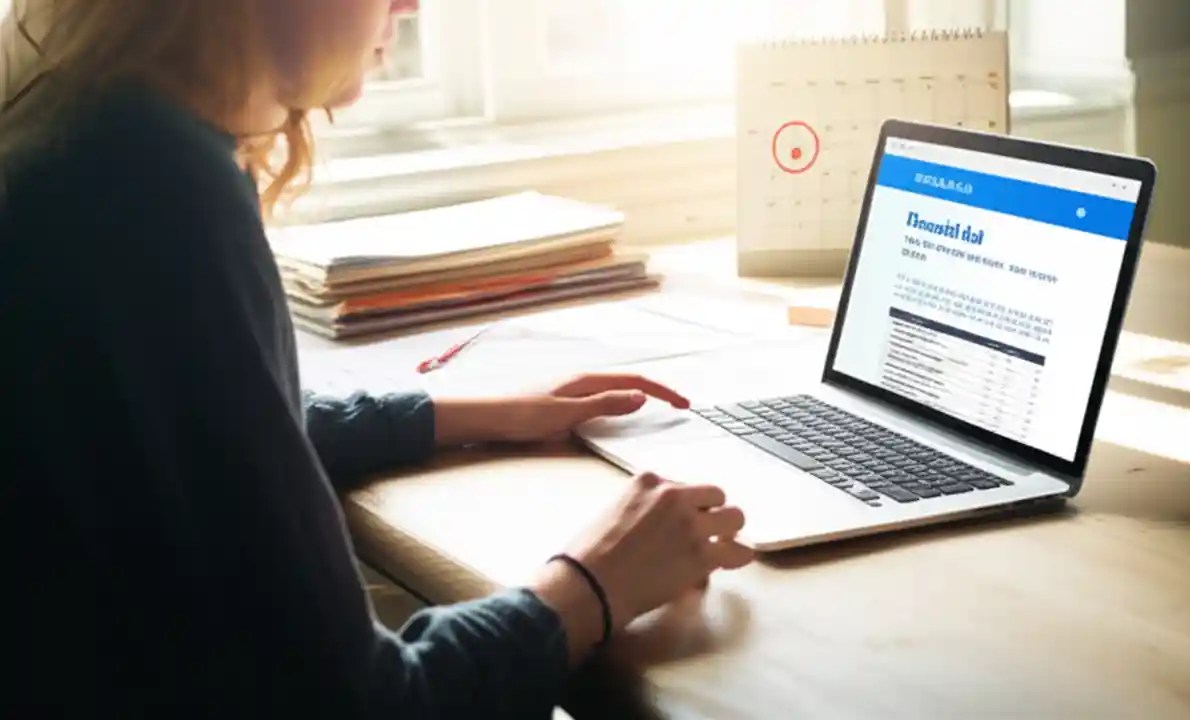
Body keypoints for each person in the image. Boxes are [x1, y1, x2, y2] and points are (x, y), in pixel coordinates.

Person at [0, 0, 754, 716]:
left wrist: (474, 415)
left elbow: (206, 440)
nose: (412, 6)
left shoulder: (85, 137)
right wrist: (595, 583)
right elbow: (360, 705)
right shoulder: (156, 193)